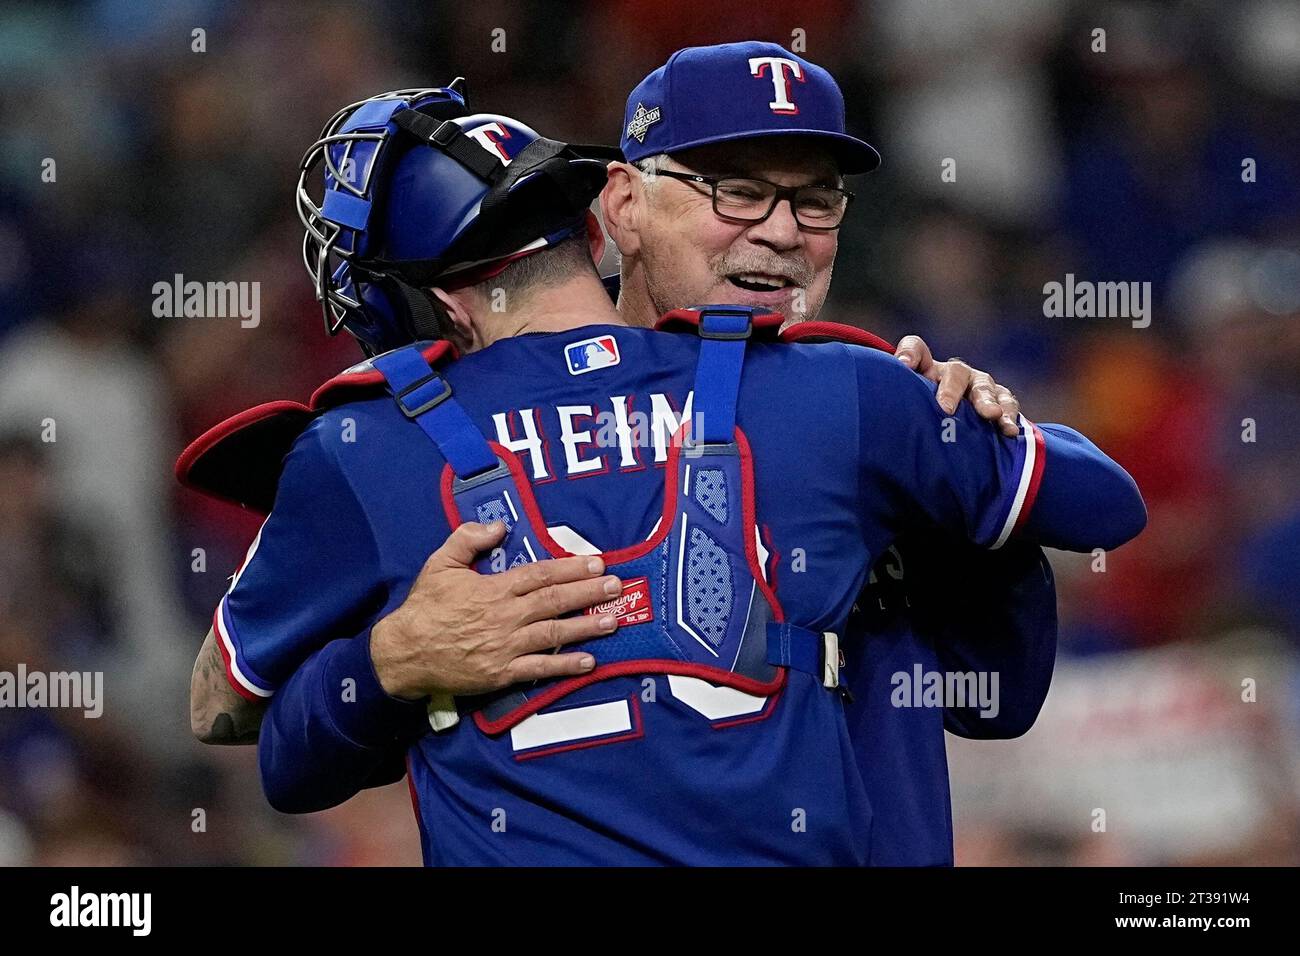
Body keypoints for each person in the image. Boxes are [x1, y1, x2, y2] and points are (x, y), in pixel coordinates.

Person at [179, 80, 1145, 864]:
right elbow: (1105, 506)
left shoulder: (368, 444)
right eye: (733, 192)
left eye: (812, 201)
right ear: (614, 214)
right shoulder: (844, 394)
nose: (774, 232)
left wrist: (977, 420)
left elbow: (249, 729)